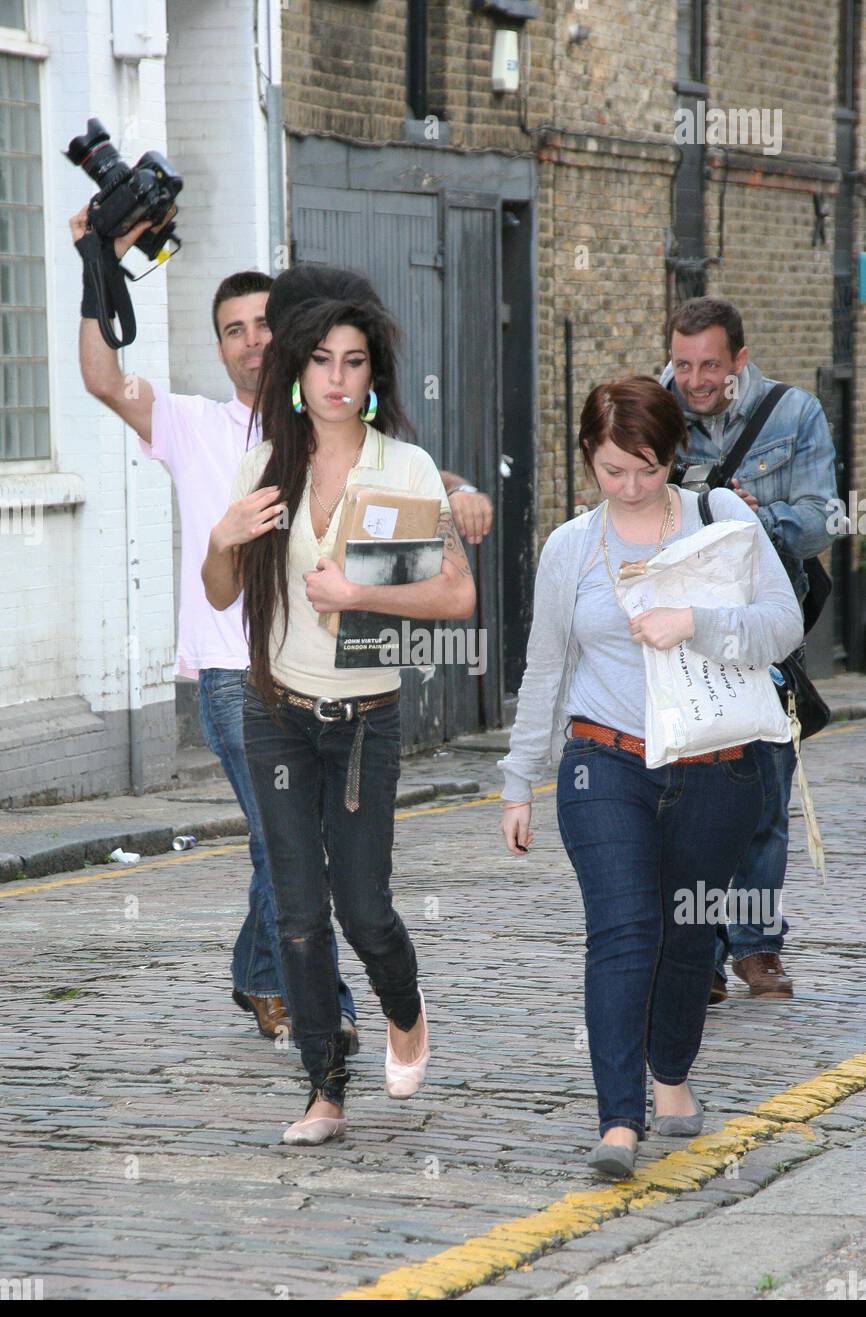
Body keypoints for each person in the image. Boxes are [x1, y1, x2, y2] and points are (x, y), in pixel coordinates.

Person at [499, 376, 803, 1178]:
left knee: (686, 933)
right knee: (624, 930)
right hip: (604, 762)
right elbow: (544, 671)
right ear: (587, 459)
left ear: (674, 455)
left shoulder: (719, 517)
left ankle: (670, 1074)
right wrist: (518, 780)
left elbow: (782, 625)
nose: (631, 486)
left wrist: (694, 623)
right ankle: (617, 1122)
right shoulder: (570, 548)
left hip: (715, 768)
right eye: (612, 470)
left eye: (648, 468)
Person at [203, 265, 477, 1146]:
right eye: (321, 360)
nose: (336, 378)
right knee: (295, 914)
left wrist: (358, 592)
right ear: (298, 369)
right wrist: (221, 541)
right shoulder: (266, 463)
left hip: (364, 718)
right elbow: (219, 595)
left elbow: (456, 595)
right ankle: (324, 1087)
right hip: (275, 710)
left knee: (363, 910)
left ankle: (404, 1005)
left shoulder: (406, 467)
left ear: (372, 375)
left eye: (354, 362)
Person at [661, 297, 838, 1001]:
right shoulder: (654, 409)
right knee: (686, 804)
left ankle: (757, 946)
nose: (694, 381)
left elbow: (824, 519)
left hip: (763, 635)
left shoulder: (793, 415)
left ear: (739, 359)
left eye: (710, 365)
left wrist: (757, 516)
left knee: (763, 796)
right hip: (679, 638)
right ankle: (696, 953)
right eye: (682, 365)